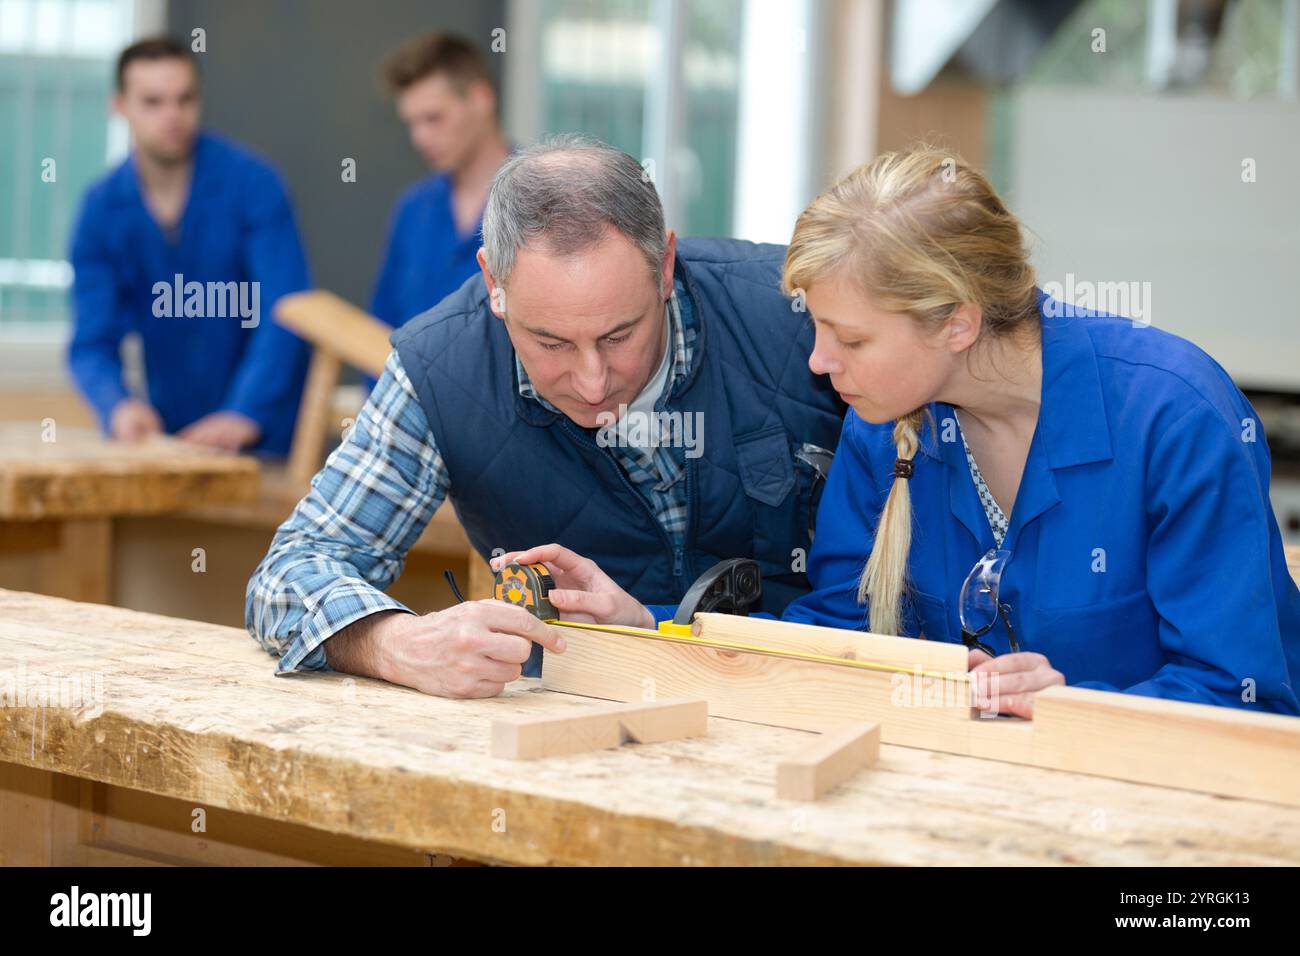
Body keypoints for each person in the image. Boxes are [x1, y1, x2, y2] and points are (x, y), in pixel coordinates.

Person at [496, 146, 1300, 718]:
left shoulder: (1176, 418)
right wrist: (651, 628)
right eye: (818, 329)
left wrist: (1076, 711)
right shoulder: (885, 425)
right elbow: (840, 640)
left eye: (850, 339)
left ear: (957, 321)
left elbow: (1246, 695)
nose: (818, 361)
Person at [245, 136, 846, 697]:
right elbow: (286, 578)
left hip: (811, 695)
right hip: (576, 716)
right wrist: (392, 643)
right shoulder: (441, 371)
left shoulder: (800, 315)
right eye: (551, 343)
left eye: (619, 335)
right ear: (494, 285)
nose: (591, 381)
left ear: (664, 265)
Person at [68, 36, 311, 454]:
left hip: (268, 436)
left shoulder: (254, 184)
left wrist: (245, 412)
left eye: (184, 99)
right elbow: (92, 339)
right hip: (172, 436)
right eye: (153, 102)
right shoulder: (101, 209)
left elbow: (287, 311)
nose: (172, 116)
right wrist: (118, 406)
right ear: (119, 107)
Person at [370, 33, 511, 334]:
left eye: (434, 118)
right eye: (412, 123)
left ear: (481, 99)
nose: (419, 138)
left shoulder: (544, 200)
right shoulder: (412, 210)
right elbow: (382, 330)